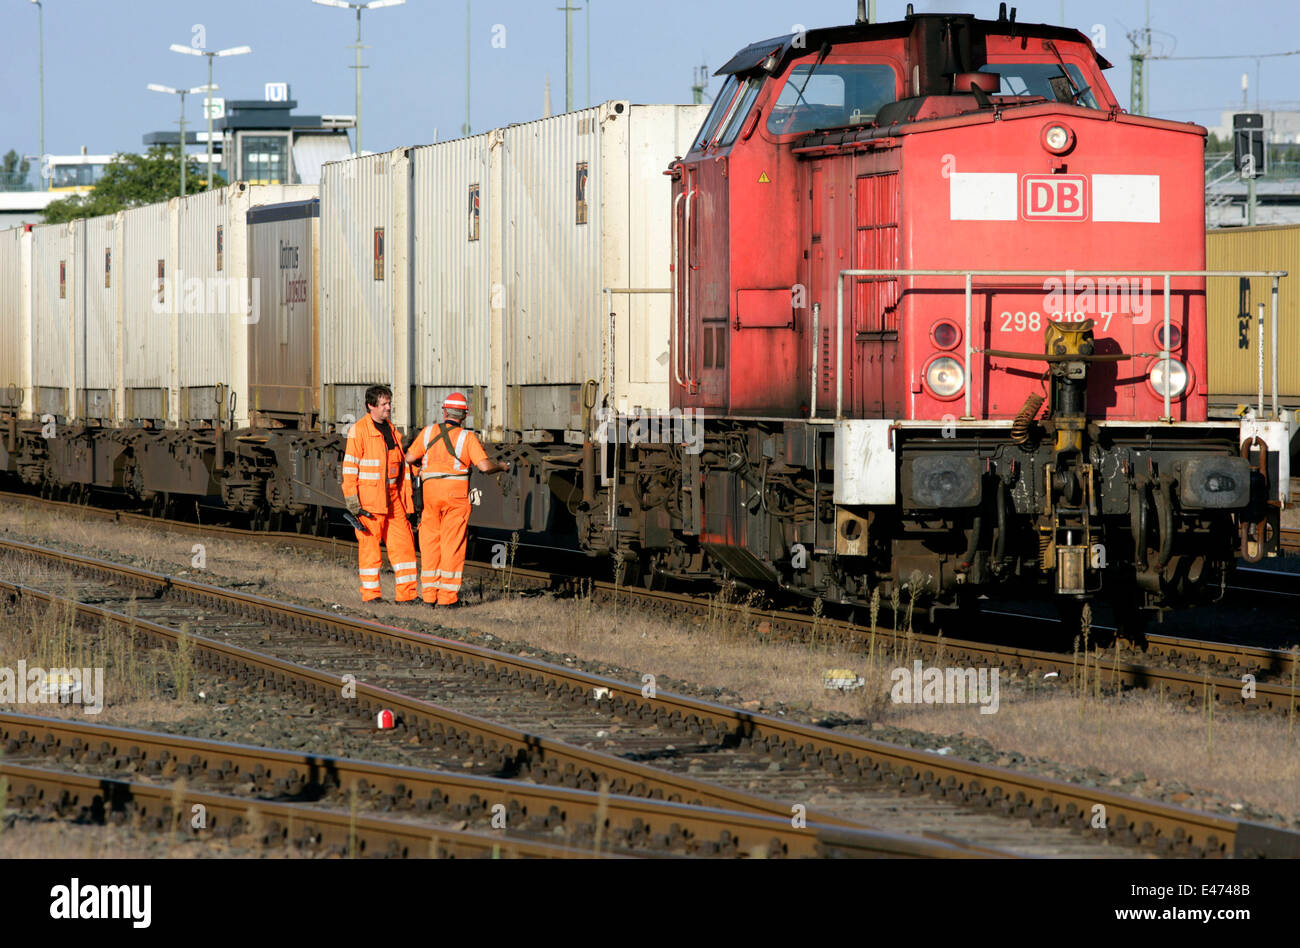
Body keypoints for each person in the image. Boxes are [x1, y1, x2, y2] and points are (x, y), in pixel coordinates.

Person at [406, 392, 509, 606]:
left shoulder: (428, 432)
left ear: (444, 411)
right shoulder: (467, 437)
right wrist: (501, 466)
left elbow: (409, 458)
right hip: (456, 496)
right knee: (452, 545)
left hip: (430, 495)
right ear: (464, 416)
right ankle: (447, 599)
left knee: (430, 543)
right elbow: (484, 467)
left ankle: (429, 596)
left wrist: (422, 472)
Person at [341, 385, 419, 604]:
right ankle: (371, 595)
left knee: (404, 547)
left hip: (394, 500)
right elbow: (349, 468)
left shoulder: (393, 431)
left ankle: (407, 596)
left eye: (389, 403)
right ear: (371, 406)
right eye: (384, 404)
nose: (388, 408)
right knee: (370, 550)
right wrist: (352, 501)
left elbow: (400, 465)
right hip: (370, 502)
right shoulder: (359, 430)